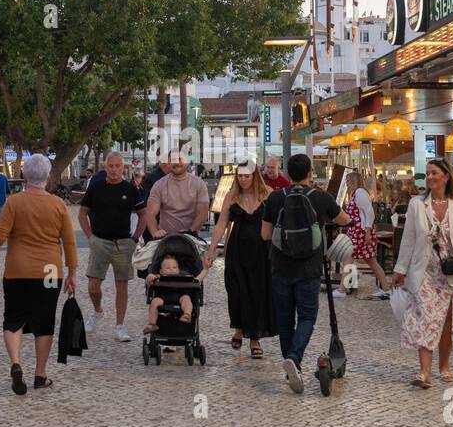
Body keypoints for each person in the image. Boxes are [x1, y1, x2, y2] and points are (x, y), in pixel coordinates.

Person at [0, 154, 77, 395]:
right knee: (44, 321)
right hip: (49, 270)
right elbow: (69, 243)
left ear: (24, 176)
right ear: (48, 177)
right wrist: (72, 273)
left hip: (18, 269)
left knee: (13, 319)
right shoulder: (58, 205)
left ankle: (16, 363)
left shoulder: (14, 203)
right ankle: (40, 374)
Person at [260, 154, 350, 394]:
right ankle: (294, 358)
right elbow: (345, 219)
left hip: (280, 267)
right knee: (307, 316)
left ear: (287, 174)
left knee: (285, 318)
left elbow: (265, 235)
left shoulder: (276, 197)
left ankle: (291, 365)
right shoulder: (320, 197)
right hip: (309, 269)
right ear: (310, 173)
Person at [393, 159, 453, 389]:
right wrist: (400, 269)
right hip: (425, 271)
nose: (430, 177)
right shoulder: (416, 204)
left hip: (452, 270)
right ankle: (424, 373)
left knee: (448, 319)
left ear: (446, 176)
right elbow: (409, 238)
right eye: (428, 173)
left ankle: (444, 365)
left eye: (434, 173)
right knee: (425, 317)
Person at [203, 160, 275, 358]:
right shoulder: (231, 196)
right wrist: (210, 251)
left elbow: (277, 221)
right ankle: (238, 328)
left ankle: (254, 339)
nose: (243, 180)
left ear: (254, 176)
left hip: (261, 252)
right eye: (240, 176)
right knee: (236, 292)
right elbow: (221, 225)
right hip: (237, 251)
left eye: (247, 176)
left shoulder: (267, 193)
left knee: (257, 293)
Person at [78, 152, 144, 342]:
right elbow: (82, 214)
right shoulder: (96, 187)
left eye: (118, 166)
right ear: (105, 167)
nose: (114, 169)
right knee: (93, 286)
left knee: (121, 285)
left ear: (123, 168)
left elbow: (143, 214)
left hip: (123, 243)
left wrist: (136, 238)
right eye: (111, 166)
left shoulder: (130, 189)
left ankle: (120, 325)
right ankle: (98, 311)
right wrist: (90, 237)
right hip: (100, 241)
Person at [336, 170, 389, 300]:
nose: (346, 183)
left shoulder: (360, 193)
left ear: (353, 181)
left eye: (348, 180)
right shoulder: (356, 194)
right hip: (359, 231)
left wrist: (367, 231)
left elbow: (369, 213)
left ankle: (342, 289)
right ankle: (386, 289)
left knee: (349, 257)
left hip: (360, 231)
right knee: (370, 261)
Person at [144, 150, 209, 238]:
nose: (176, 163)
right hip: (165, 237)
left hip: (191, 236)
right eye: (173, 160)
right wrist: (155, 232)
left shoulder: (199, 184)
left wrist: (191, 231)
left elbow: (203, 212)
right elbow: (150, 213)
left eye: (180, 159)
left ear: (186, 161)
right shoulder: (159, 185)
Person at [144, 255, 196, 333]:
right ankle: (152, 324)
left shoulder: (184, 276)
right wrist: (150, 276)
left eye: (174, 267)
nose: (171, 269)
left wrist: (205, 269)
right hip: (163, 298)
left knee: (186, 298)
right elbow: (149, 282)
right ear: (161, 271)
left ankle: (187, 314)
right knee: (154, 301)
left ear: (178, 269)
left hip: (180, 297)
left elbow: (197, 280)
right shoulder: (159, 276)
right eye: (167, 268)